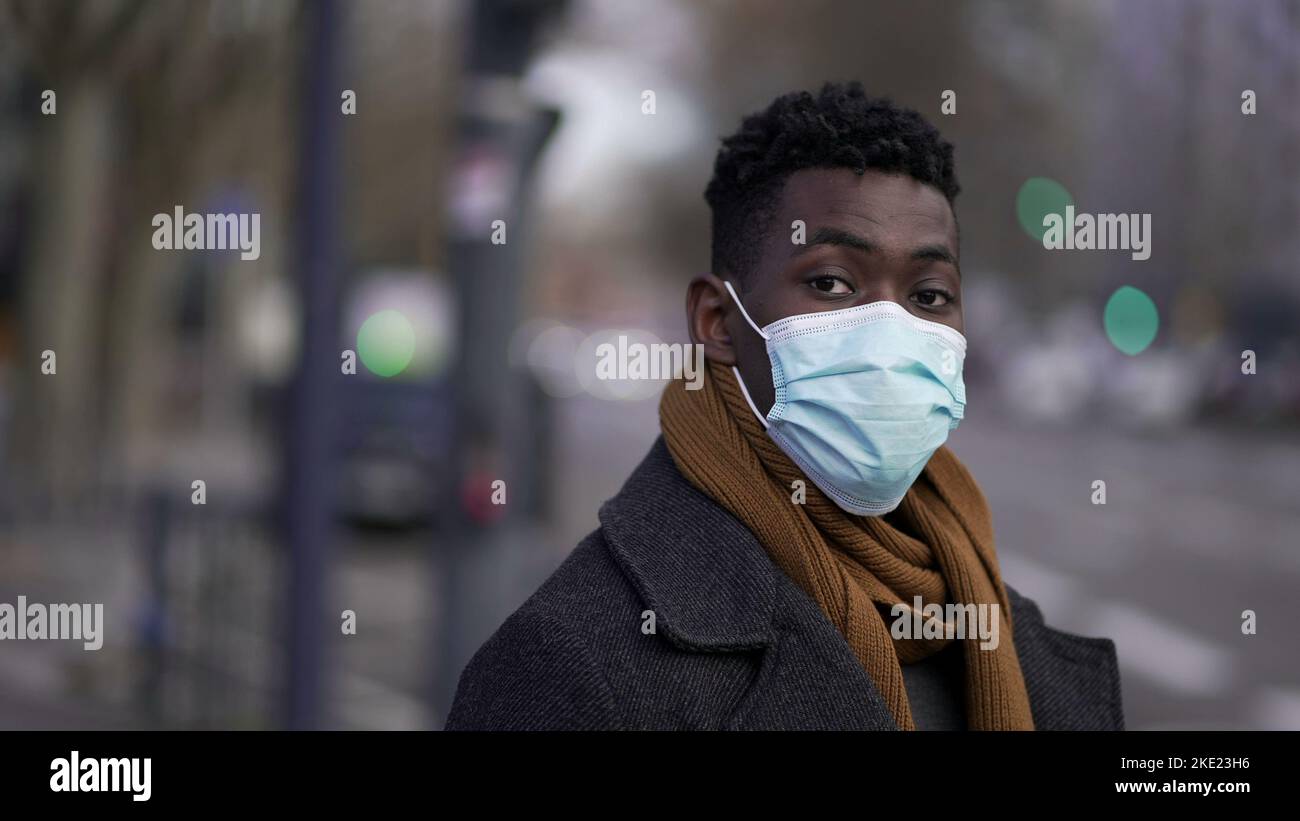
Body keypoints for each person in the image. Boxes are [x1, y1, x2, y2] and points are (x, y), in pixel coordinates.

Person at [445, 81, 1124, 731]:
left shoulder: (1017, 641)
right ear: (717, 319)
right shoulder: (575, 665)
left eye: (928, 295)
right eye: (830, 282)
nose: (890, 331)